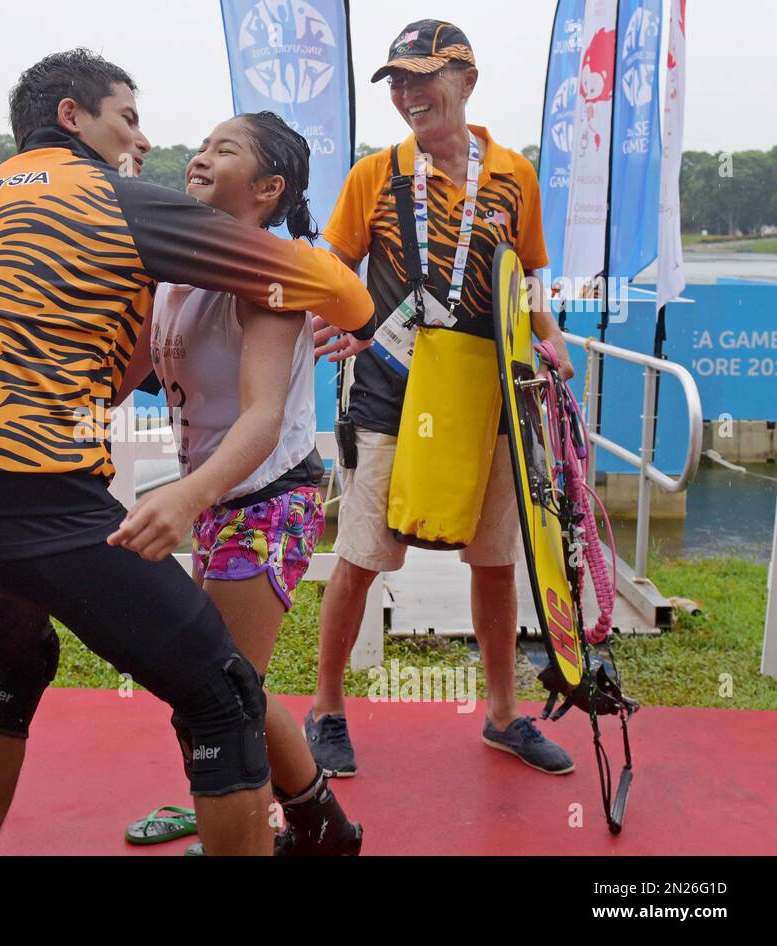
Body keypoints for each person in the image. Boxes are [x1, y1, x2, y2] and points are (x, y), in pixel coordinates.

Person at [0, 49, 373, 856]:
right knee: (220, 692)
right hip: (35, 495)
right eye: (129, 119)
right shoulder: (119, 203)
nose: (145, 142)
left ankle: (315, 820)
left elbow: (99, 374)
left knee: (13, 668)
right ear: (74, 117)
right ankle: (317, 822)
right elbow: (340, 292)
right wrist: (349, 308)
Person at [308, 20, 576, 777]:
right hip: (389, 396)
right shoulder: (377, 174)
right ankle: (327, 710)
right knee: (361, 558)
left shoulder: (515, 175)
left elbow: (524, 282)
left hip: (488, 401)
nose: (407, 92)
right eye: (396, 79)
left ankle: (502, 716)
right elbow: (333, 272)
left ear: (467, 79)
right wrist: (348, 321)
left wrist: (555, 344)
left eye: (422, 76)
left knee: (494, 562)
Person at [114, 112, 369, 855]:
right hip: (220, 500)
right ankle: (323, 825)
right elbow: (124, 379)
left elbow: (261, 419)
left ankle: (249, 828)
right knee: (231, 685)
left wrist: (185, 497)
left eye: (223, 151)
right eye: (200, 146)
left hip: (270, 498)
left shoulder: (272, 273)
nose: (199, 157)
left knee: (215, 695)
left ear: (267, 188)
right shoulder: (178, 272)